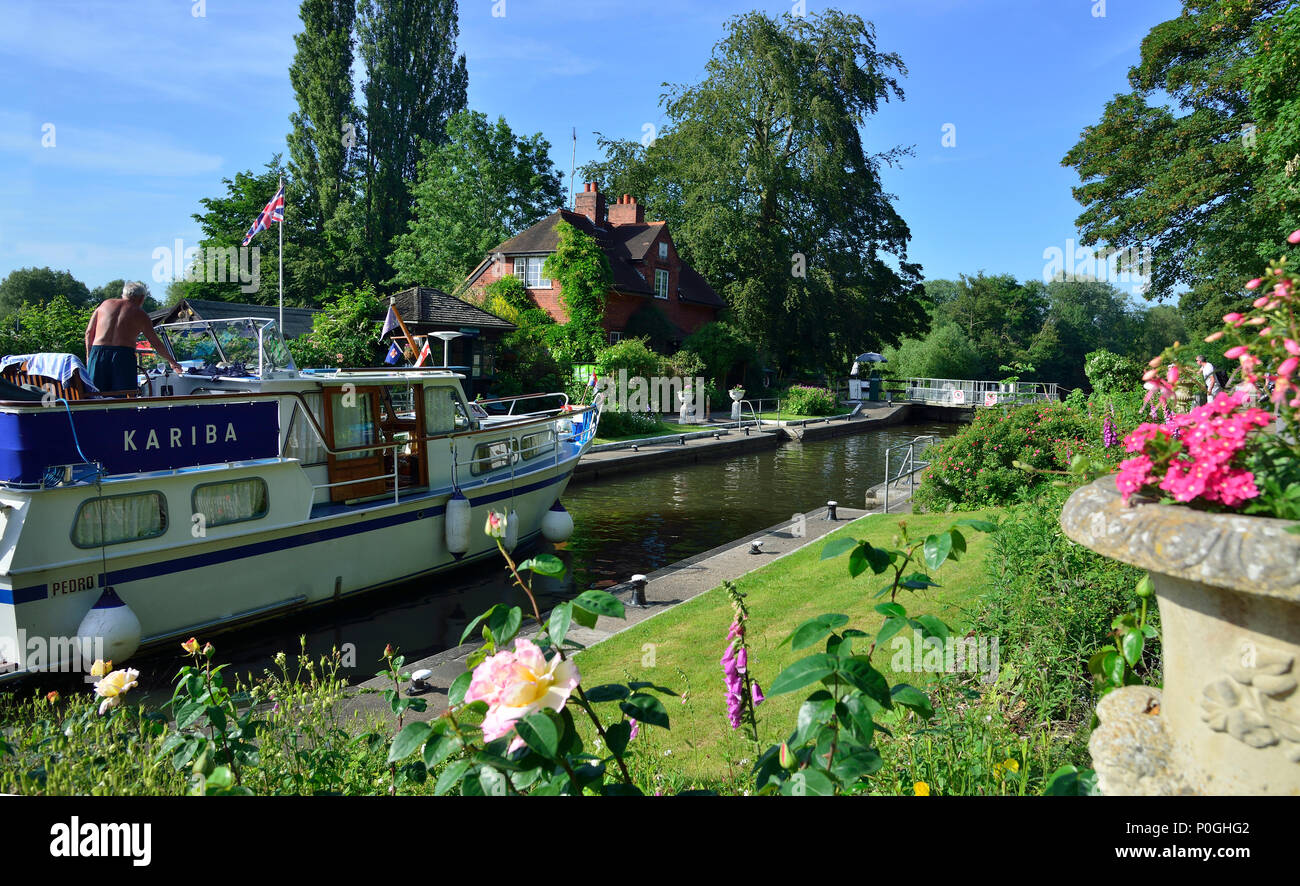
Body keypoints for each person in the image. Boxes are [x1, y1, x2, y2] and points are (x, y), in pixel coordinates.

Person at [84, 281, 182, 393]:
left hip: (98, 354)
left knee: (95, 395)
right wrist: (172, 362)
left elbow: (88, 333)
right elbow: (156, 343)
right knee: (125, 397)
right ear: (141, 298)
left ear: (124, 295)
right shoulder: (141, 314)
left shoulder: (105, 304)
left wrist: (89, 357)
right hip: (123, 356)